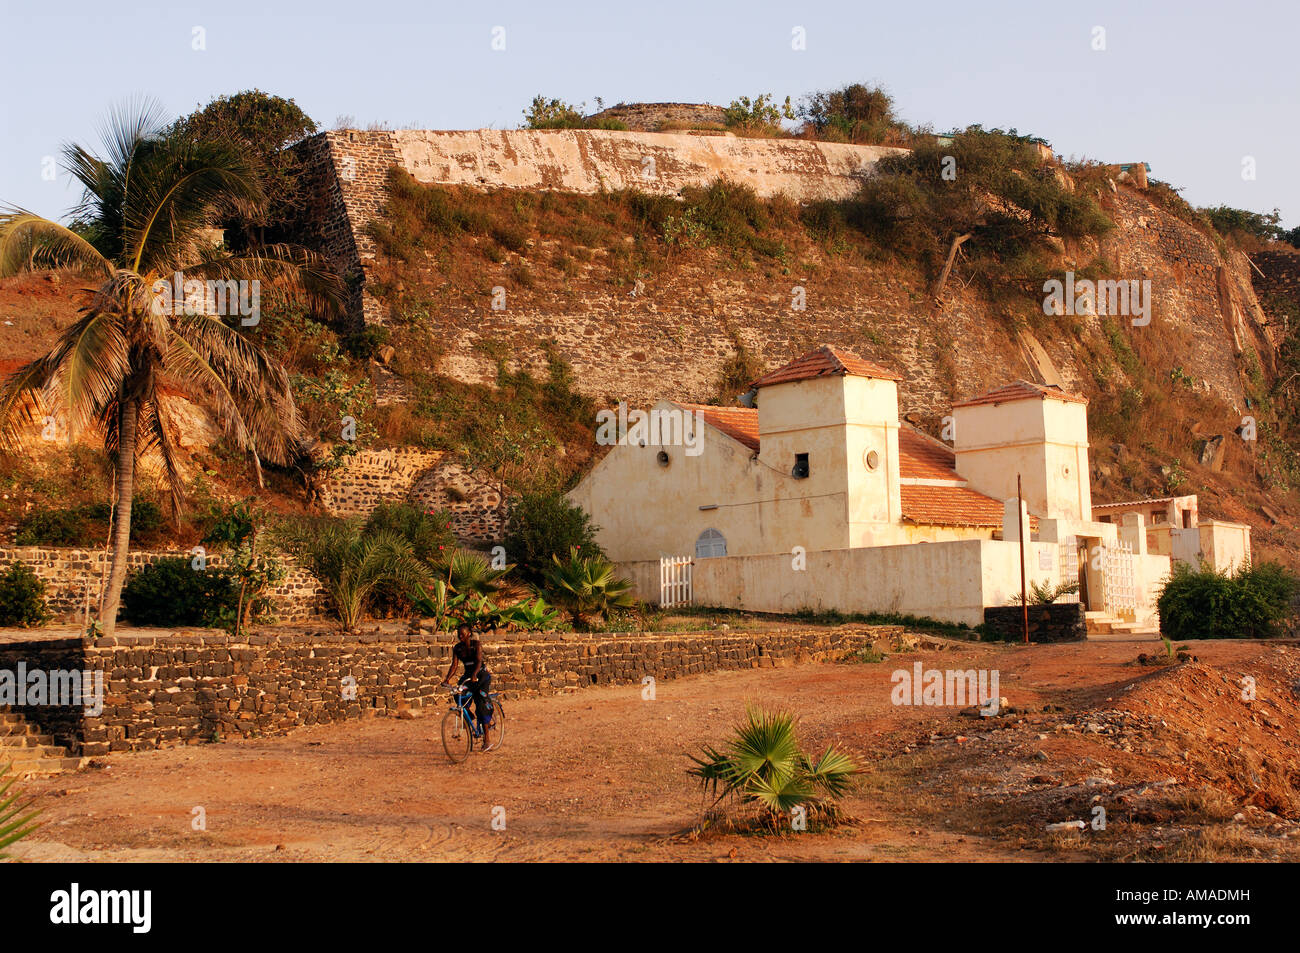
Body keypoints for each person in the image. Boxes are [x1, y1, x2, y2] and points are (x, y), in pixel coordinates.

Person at [441, 624, 494, 746]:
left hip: (480, 676)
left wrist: (475, 674)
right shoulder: (458, 648)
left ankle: (487, 739)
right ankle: (468, 713)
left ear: (469, 634)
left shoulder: (476, 645)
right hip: (468, 676)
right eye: (459, 634)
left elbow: (479, 660)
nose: (460, 636)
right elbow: (454, 665)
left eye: (462, 634)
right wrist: (447, 679)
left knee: (481, 704)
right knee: (458, 693)